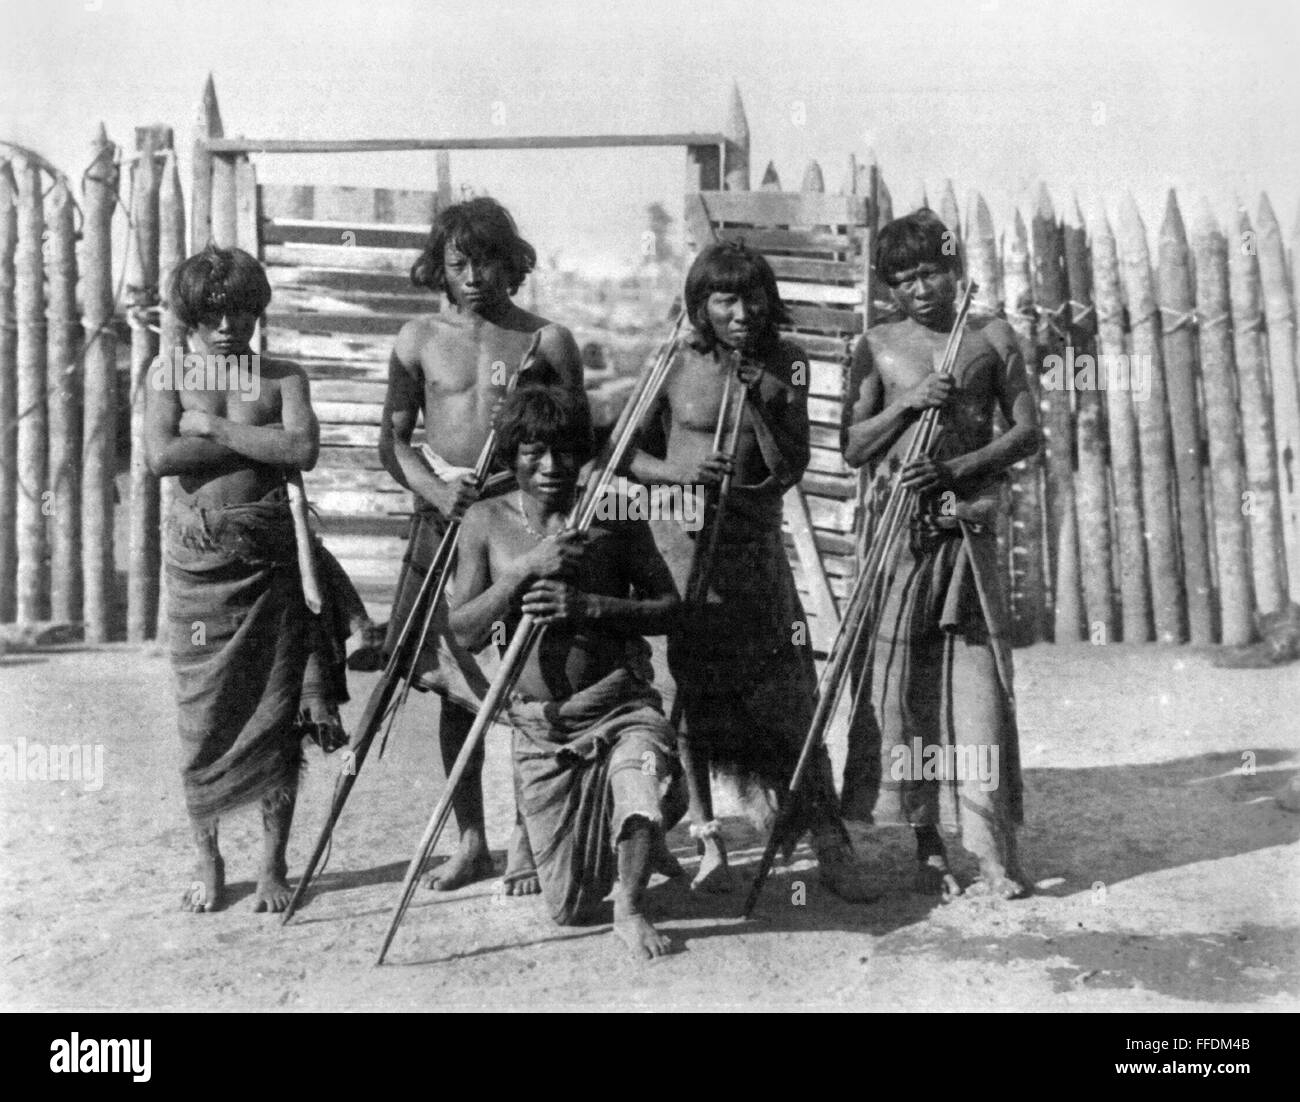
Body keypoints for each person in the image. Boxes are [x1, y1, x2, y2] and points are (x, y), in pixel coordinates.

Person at [627, 241, 876, 902]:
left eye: (752, 297)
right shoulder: (672, 363)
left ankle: (826, 838)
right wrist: (679, 473)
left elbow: (792, 463)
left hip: (754, 549)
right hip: (682, 548)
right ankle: (708, 838)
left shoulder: (787, 365)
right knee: (692, 694)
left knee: (790, 688)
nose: (742, 313)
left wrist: (756, 405)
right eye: (725, 300)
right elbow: (626, 457)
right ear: (701, 306)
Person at [378, 197, 583, 894]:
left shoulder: (545, 342)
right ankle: (471, 840)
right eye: (459, 263)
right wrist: (439, 495)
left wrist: (522, 428)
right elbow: (394, 440)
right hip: (446, 518)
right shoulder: (415, 339)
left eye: (488, 261)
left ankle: (533, 832)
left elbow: (575, 439)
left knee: (538, 669)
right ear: (439, 264)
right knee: (453, 684)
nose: (473, 277)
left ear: (512, 262)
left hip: (518, 517)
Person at [841, 209, 1039, 899]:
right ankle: (927, 847)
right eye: (901, 279)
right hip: (900, 540)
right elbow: (854, 447)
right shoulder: (876, 345)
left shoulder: (991, 335)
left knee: (979, 690)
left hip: (968, 531)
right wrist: (908, 406)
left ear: (955, 269)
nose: (919, 289)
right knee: (905, 696)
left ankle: (992, 852)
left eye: (930, 272)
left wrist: (957, 472)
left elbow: (1026, 433)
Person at [449, 385, 684, 959]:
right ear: (511, 454)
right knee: (571, 909)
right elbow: (463, 630)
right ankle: (586, 836)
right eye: (533, 452)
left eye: (564, 452)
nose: (551, 467)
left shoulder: (614, 517)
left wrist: (590, 607)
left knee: (642, 774)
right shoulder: (485, 521)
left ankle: (631, 905)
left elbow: (670, 608)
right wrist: (523, 573)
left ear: (583, 455)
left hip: (621, 705)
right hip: (545, 730)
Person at [146, 244, 321, 914]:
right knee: (205, 718)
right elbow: (162, 456)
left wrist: (213, 425)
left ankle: (274, 862)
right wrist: (259, 438)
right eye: (214, 311)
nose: (229, 324)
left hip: (270, 566)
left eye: (242, 309)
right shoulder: (170, 374)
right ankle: (208, 858)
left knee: (275, 718)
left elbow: (301, 448)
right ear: (192, 313)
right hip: (200, 570)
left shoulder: (281, 376)